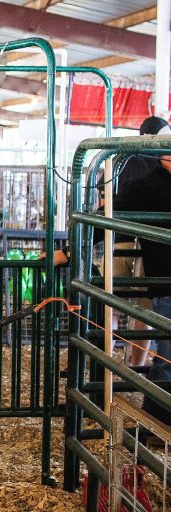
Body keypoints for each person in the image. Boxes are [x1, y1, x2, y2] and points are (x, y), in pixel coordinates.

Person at [112, 152, 171, 426]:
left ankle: (155, 422)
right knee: (168, 356)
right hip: (166, 283)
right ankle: (157, 423)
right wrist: (67, 250)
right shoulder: (143, 187)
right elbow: (108, 220)